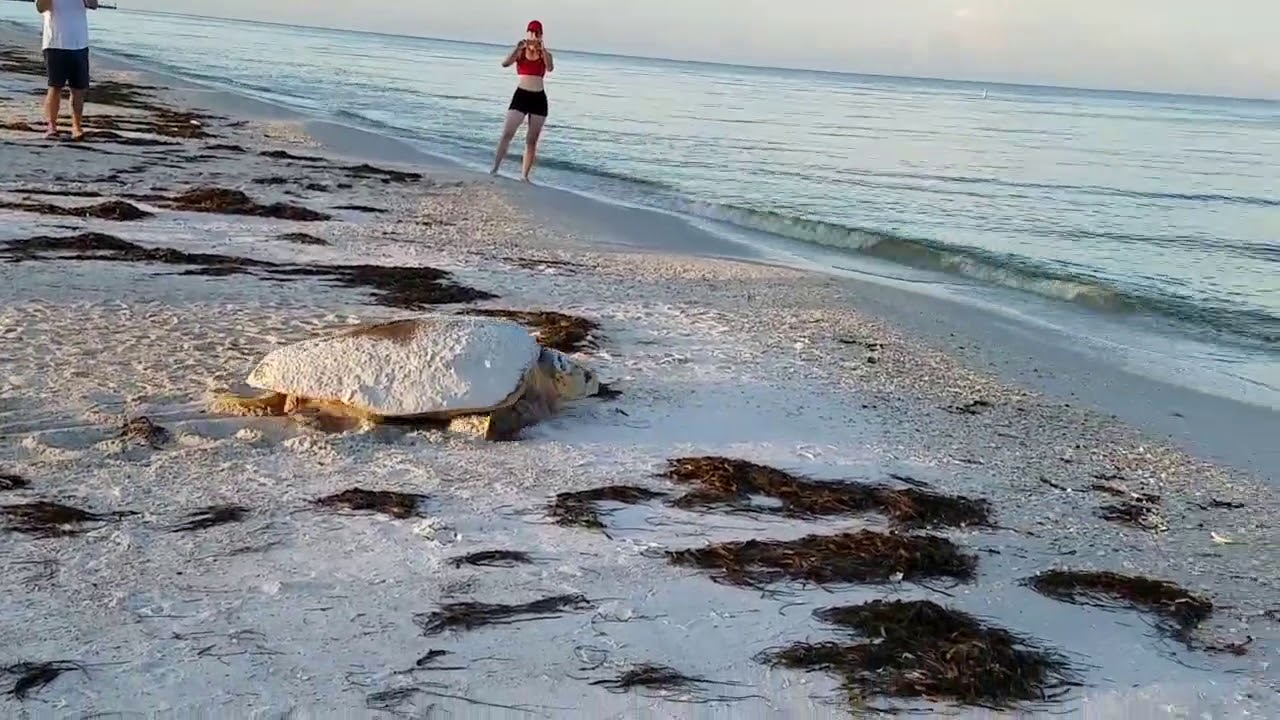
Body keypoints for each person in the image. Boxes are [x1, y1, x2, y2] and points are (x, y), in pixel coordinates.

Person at [490, 20, 554, 182]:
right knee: (507, 133)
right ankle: (495, 168)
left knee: (531, 140)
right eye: (531, 32)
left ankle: (524, 176)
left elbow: (550, 67)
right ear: (527, 33)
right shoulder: (520, 51)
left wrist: (542, 49)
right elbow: (505, 64)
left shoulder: (545, 54)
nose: (533, 35)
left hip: (538, 98)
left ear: (541, 35)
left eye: (536, 33)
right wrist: (517, 48)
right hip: (521, 96)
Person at [36, 0, 98, 141]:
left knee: (78, 89)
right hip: (55, 43)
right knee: (55, 86)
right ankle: (51, 126)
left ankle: (76, 127)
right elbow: (41, 7)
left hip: (79, 43)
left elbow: (93, 5)